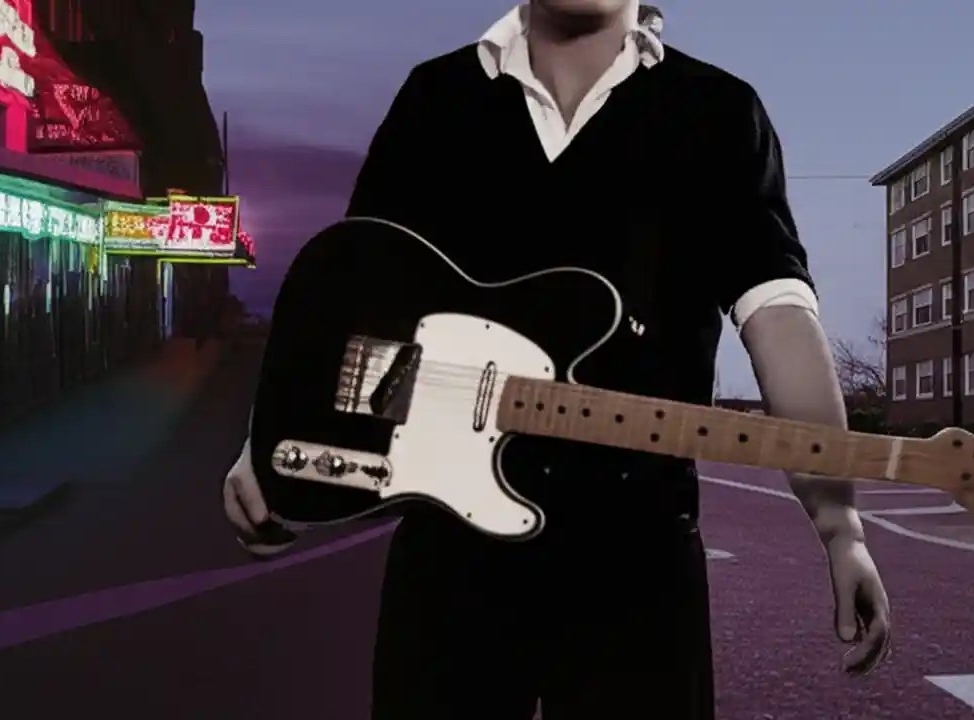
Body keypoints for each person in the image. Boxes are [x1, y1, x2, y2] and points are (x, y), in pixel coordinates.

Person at [222, 1, 892, 718]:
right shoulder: (437, 96)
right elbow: (349, 291)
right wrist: (274, 438)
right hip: (451, 560)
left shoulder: (719, 112)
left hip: (638, 560)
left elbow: (780, 319)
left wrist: (839, 524)